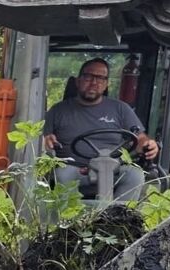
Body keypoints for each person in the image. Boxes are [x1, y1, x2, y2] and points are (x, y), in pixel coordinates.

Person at [43, 57, 160, 204]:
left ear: (106, 84)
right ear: (78, 81)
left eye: (100, 78)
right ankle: (68, 221)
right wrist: (47, 141)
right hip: (75, 169)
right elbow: (43, 138)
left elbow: (140, 138)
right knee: (62, 174)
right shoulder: (58, 111)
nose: (93, 83)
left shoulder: (120, 109)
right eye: (88, 76)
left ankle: (118, 220)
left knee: (135, 175)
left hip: (113, 169)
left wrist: (148, 144)